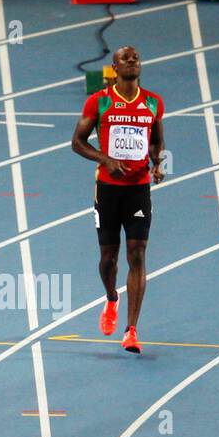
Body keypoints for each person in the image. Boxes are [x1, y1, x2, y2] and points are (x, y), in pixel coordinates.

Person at [71, 45, 165, 353]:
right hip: (108, 189)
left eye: (136, 58)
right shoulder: (99, 102)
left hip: (138, 189)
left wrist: (158, 163)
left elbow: (156, 140)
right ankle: (112, 297)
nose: (132, 61)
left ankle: (131, 329)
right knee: (108, 259)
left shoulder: (153, 102)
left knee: (137, 255)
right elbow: (77, 142)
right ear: (115, 67)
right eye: (125, 58)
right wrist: (105, 159)